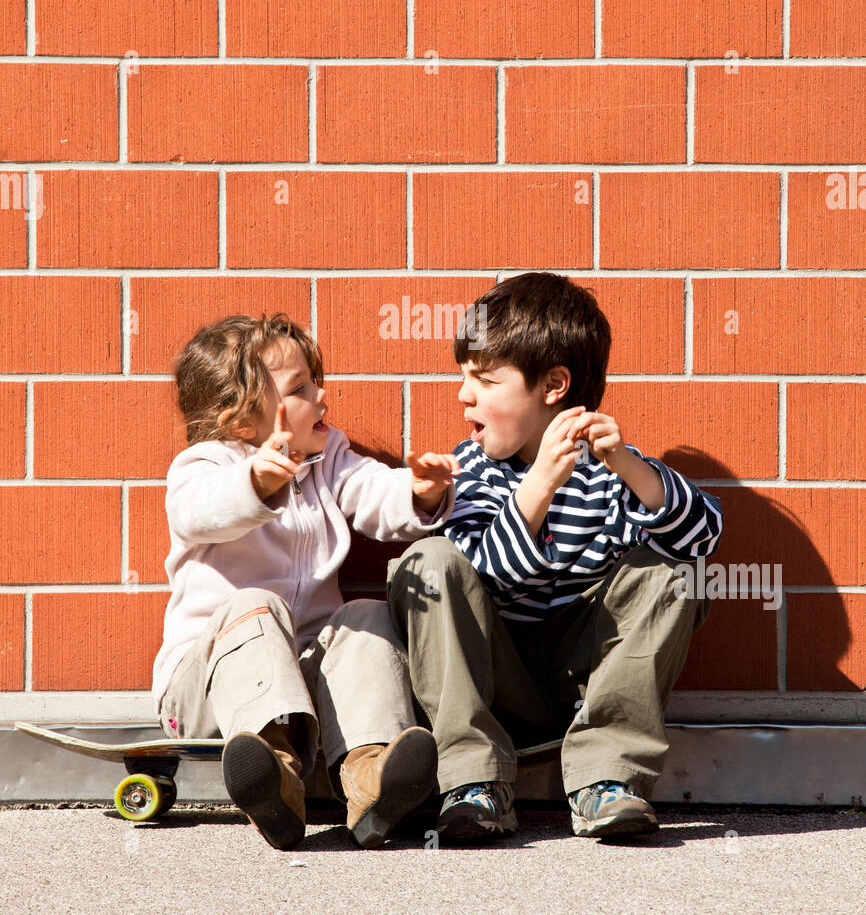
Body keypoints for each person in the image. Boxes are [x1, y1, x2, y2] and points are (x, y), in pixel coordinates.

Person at [386, 272, 723, 842]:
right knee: (428, 560)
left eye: (485, 380)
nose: (463, 394)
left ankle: (608, 780)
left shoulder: (607, 471)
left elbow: (703, 539)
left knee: (671, 570)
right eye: (462, 377)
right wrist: (537, 487)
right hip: (497, 677)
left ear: (554, 385)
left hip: (587, 678)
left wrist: (632, 469)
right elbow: (487, 569)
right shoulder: (471, 469)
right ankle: (472, 781)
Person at [152, 311, 458, 851]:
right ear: (243, 421)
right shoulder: (203, 465)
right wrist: (256, 481)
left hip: (306, 693)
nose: (322, 397)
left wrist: (421, 492)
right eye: (300, 389)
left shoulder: (326, 457)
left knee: (365, 614)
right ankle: (272, 773)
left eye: (315, 382)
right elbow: (198, 512)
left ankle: (371, 774)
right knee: (254, 604)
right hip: (205, 690)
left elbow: (373, 493)